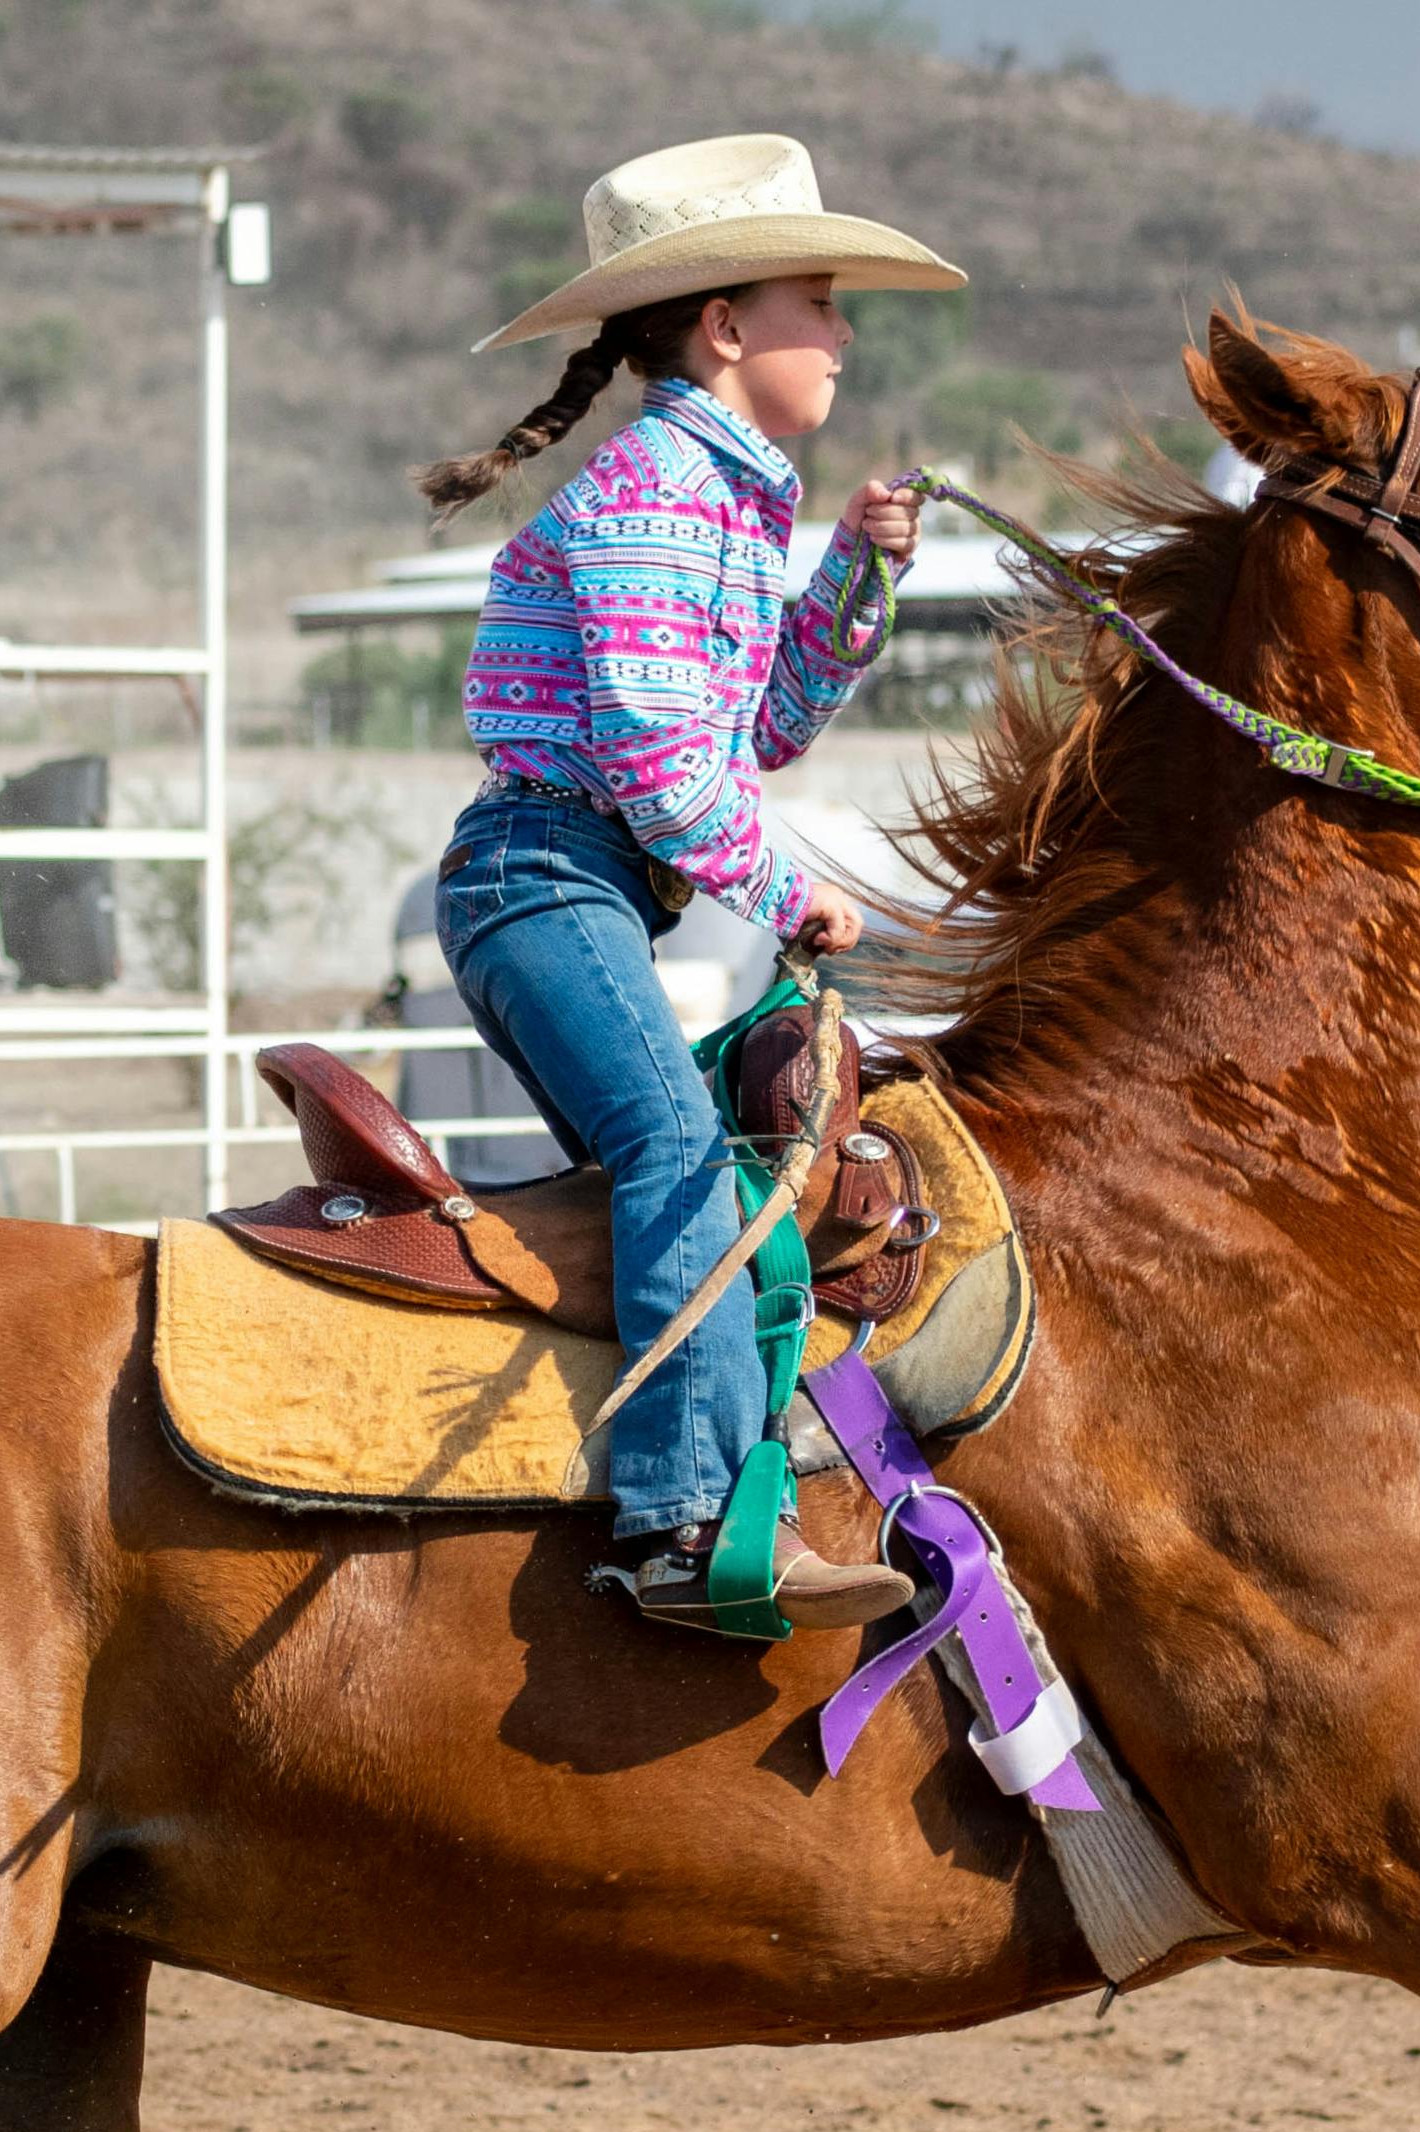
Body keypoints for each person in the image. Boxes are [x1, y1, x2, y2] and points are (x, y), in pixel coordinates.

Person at [420, 133, 956, 1635]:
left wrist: (853, 569)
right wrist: (793, 895)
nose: (843, 333)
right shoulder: (658, 499)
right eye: (819, 301)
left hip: (571, 884)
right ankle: (681, 1516)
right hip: (549, 878)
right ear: (727, 328)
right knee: (675, 1147)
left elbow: (760, 728)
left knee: (695, 1159)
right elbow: (665, 765)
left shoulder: (720, 498)